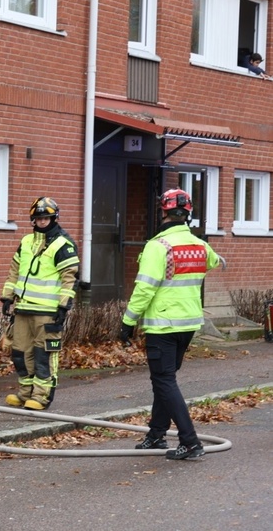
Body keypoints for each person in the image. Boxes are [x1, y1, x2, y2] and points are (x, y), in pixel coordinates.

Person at [119, 188, 223, 461]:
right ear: (188, 214)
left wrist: (128, 321)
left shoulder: (158, 246)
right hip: (188, 324)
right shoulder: (200, 244)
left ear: (163, 213)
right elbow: (214, 261)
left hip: (163, 325)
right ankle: (156, 434)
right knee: (164, 381)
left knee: (164, 381)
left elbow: (145, 289)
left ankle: (190, 442)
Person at [0, 196, 79, 410]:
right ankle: (26, 394)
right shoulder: (26, 241)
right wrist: (7, 297)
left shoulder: (63, 244)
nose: (42, 221)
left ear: (54, 218)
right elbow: (14, 270)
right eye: (38, 218)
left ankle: (42, 396)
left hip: (48, 311)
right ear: (33, 220)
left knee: (43, 354)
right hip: (23, 308)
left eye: (46, 218)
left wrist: (64, 306)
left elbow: (69, 277)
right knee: (20, 352)